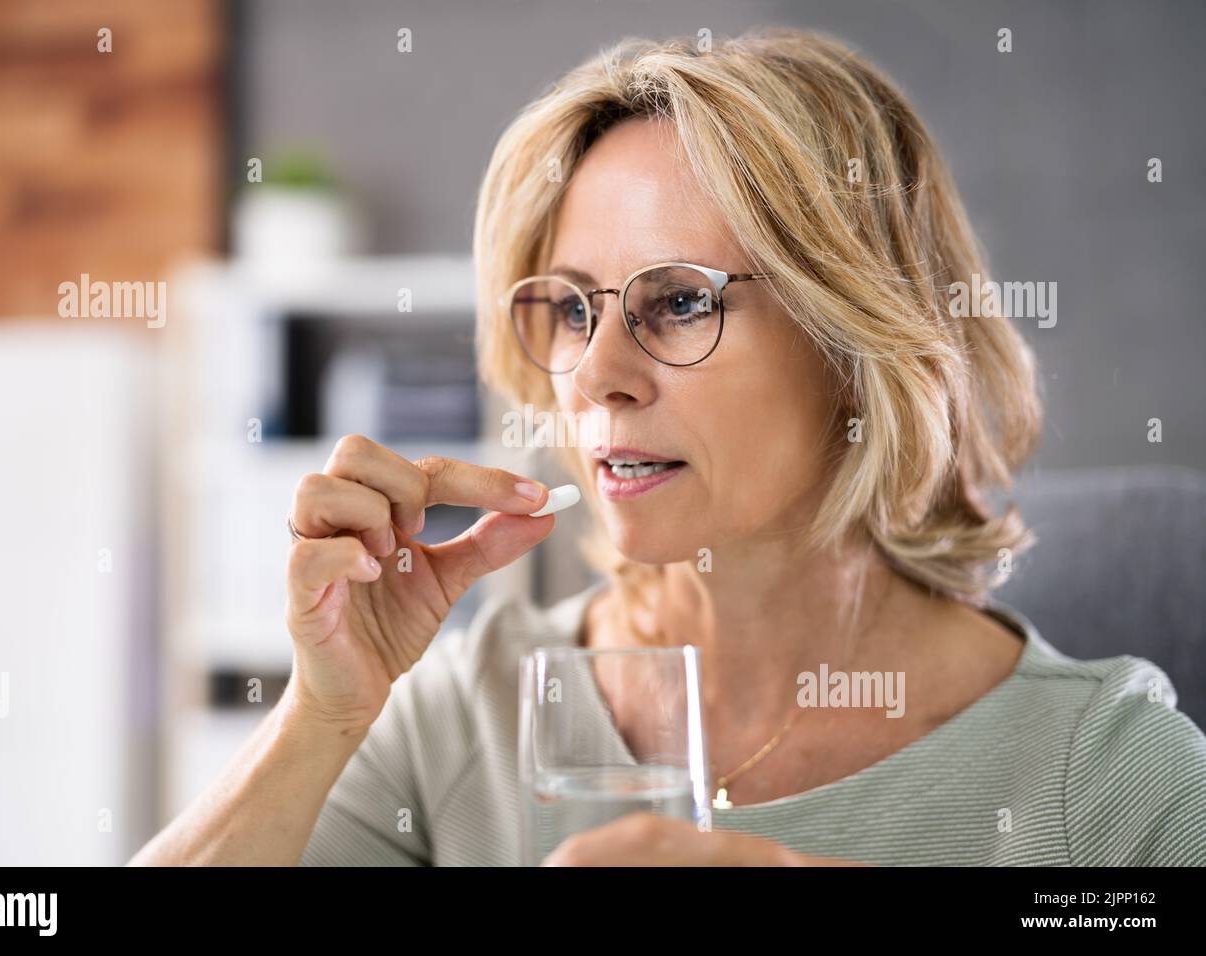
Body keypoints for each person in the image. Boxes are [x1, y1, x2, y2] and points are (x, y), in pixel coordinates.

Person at [131, 28, 1206, 867]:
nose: (595, 371)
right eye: (567, 307)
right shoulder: (461, 710)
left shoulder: (1104, 776)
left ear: (858, 336)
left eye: (679, 300)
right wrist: (322, 714)